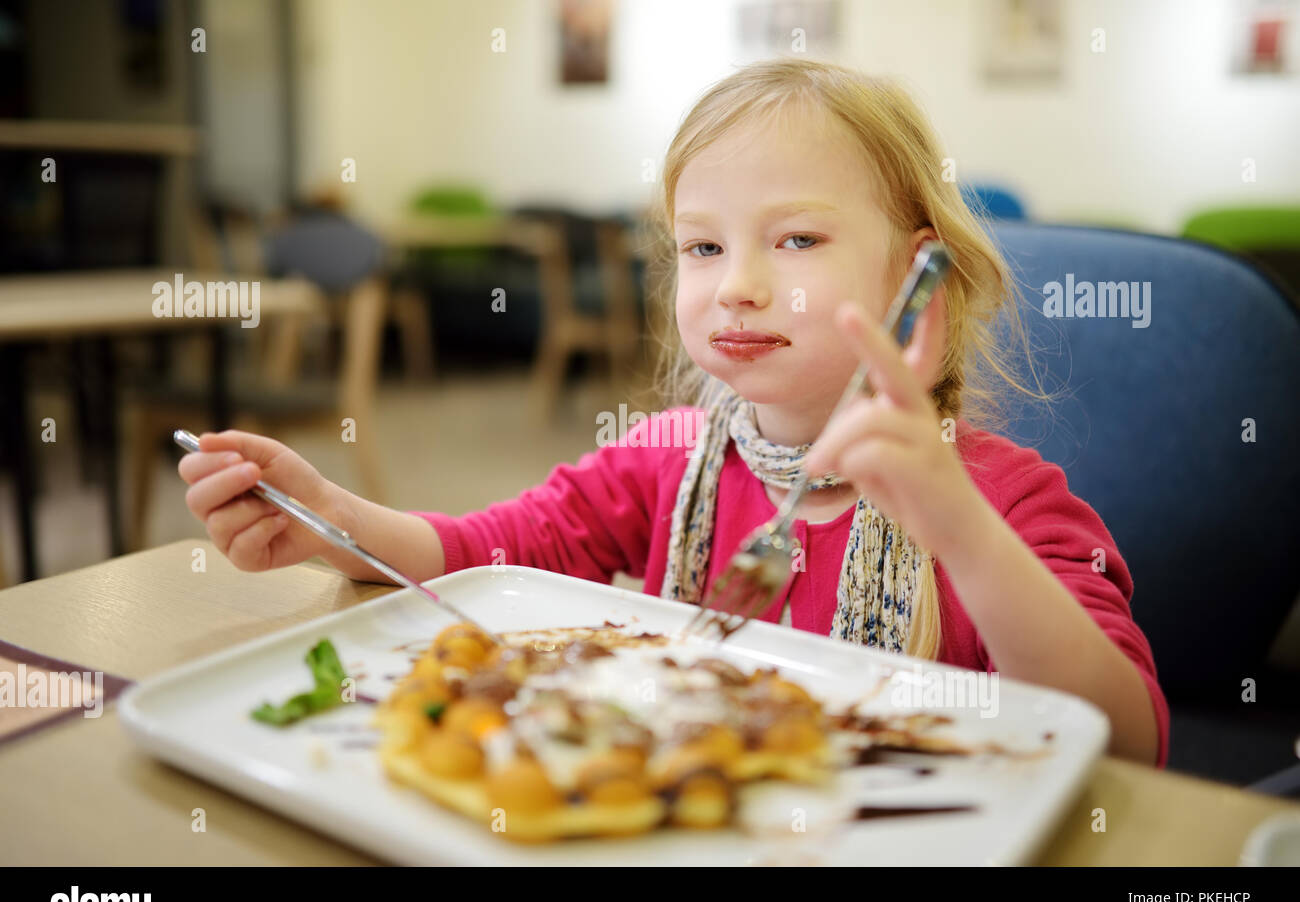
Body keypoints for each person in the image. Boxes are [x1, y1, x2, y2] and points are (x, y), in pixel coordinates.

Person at [178, 58, 1167, 766]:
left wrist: (955, 522)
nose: (734, 284)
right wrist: (326, 518)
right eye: (701, 247)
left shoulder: (1006, 498)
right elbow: (485, 549)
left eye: (794, 239)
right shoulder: (660, 459)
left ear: (917, 280)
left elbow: (1127, 739)